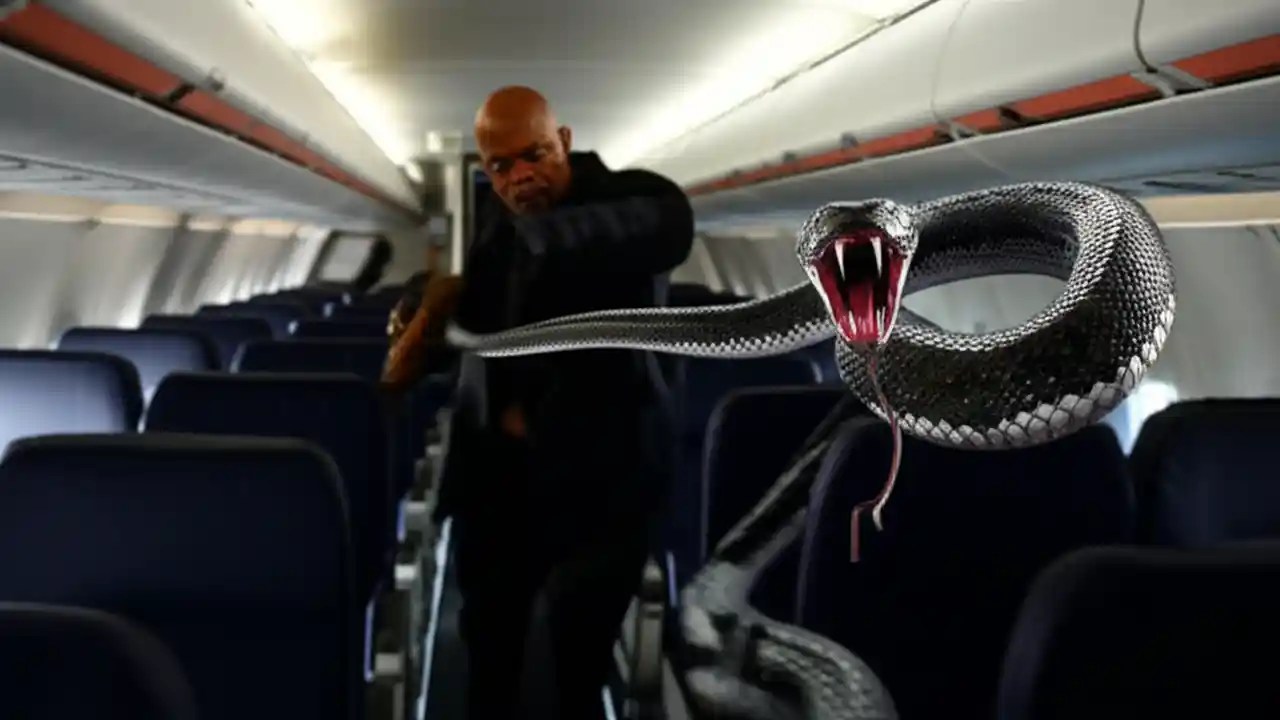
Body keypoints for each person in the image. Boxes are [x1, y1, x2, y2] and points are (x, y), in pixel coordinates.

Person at [391, 85, 693, 719]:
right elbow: (477, 302)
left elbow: (670, 227)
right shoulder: (497, 219)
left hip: (601, 484)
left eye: (534, 155)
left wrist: (539, 237)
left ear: (565, 141)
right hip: (499, 481)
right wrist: (419, 304)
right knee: (488, 661)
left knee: (576, 673)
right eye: (501, 166)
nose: (519, 176)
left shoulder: (634, 198)